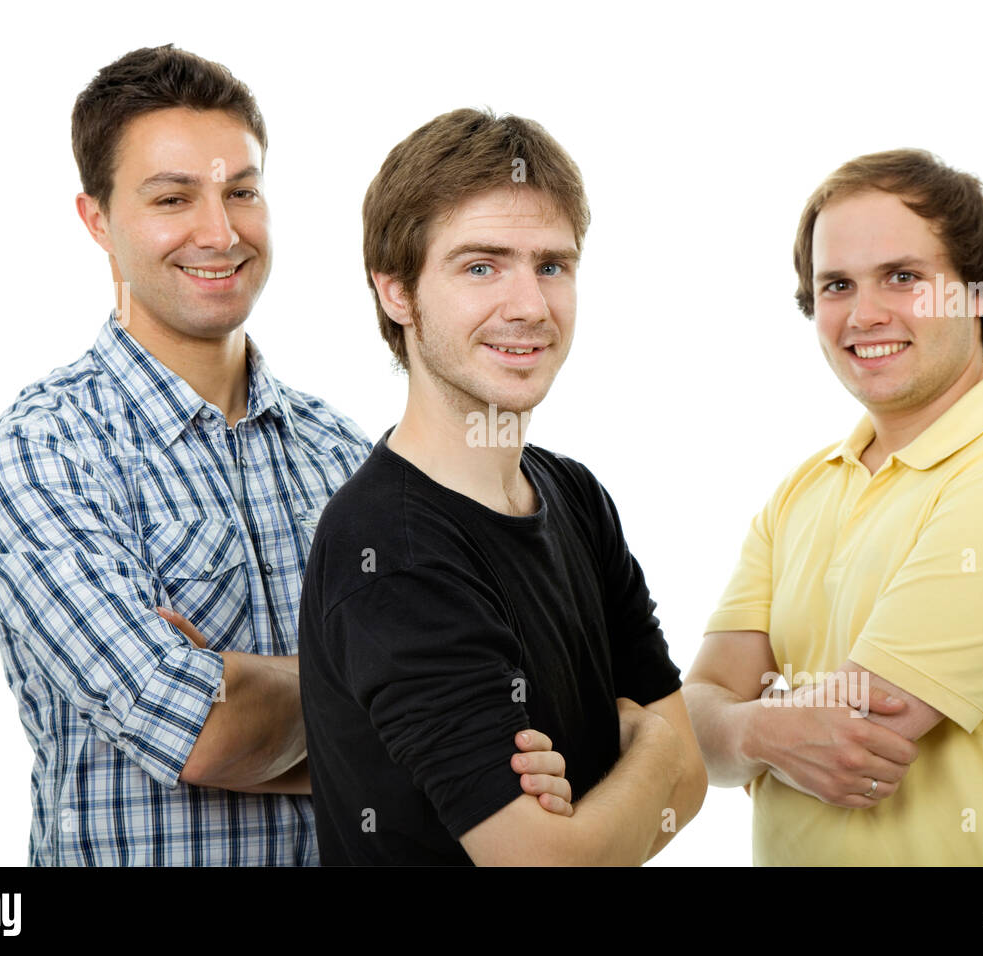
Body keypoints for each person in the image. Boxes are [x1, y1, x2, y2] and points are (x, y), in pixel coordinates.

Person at [0, 46, 569, 866]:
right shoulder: (41, 455)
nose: (220, 230)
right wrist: (400, 700)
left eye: (241, 191)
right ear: (96, 218)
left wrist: (248, 683)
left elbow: (498, 722)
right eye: (174, 197)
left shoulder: (347, 455)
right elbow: (202, 731)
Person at [683, 149, 983, 865]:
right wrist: (752, 732)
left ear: (978, 295)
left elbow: (852, 731)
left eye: (903, 277)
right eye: (836, 285)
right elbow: (694, 721)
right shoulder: (805, 489)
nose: (864, 314)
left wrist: (742, 720)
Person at [296, 108, 708, 866]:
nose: (528, 305)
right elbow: (553, 859)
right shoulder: (390, 547)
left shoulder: (576, 497)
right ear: (396, 292)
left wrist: (602, 810)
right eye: (481, 266)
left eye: (551, 265)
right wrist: (648, 746)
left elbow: (696, 780)